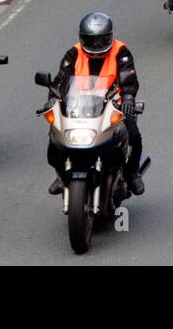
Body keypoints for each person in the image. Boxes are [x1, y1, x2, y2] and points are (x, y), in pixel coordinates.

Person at [44, 12, 144, 195]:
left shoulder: (121, 51)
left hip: (113, 107)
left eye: (102, 39)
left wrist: (129, 98)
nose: (97, 45)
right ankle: (61, 174)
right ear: (82, 38)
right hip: (79, 107)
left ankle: (131, 173)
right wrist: (52, 98)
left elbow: (129, 80)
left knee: (134, 135)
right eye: (92, 40)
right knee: (55, 139)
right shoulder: (73, 53)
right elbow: (60, 80)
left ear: (110, 37)